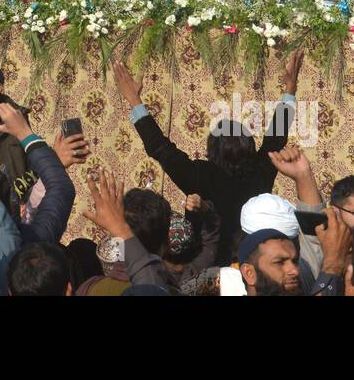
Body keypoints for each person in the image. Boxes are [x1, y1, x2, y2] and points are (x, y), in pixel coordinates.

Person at [113, 52, 301, 265]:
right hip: (254, 261)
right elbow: (275, 137)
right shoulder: (261, 170)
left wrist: (134, 100)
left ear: (211, 149)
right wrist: (290, 91)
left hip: (210, 266)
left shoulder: (200, 175)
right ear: (249, 145)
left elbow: (160, 147)